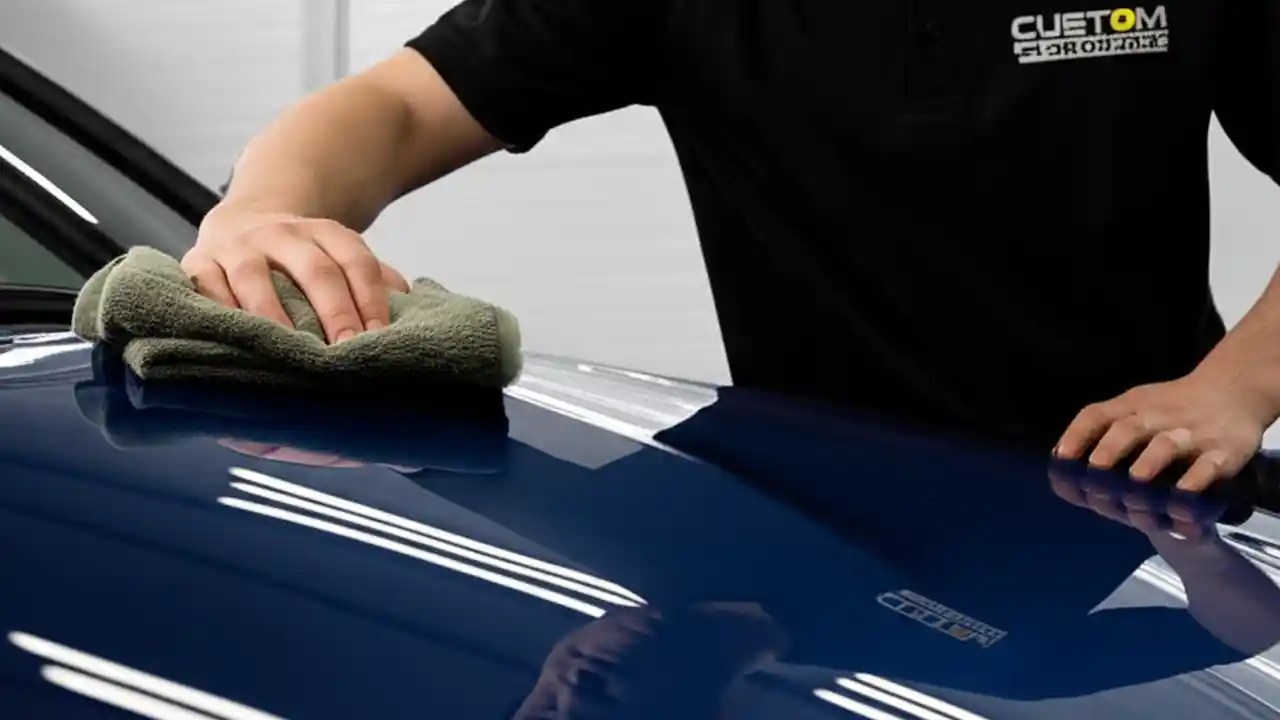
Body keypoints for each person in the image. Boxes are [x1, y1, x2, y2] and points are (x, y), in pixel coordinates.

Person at [186, 0, 1280, 492]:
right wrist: (264, 207)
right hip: (812, 516)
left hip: (1142, 506)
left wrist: (1238, 385)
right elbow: (399, 107)